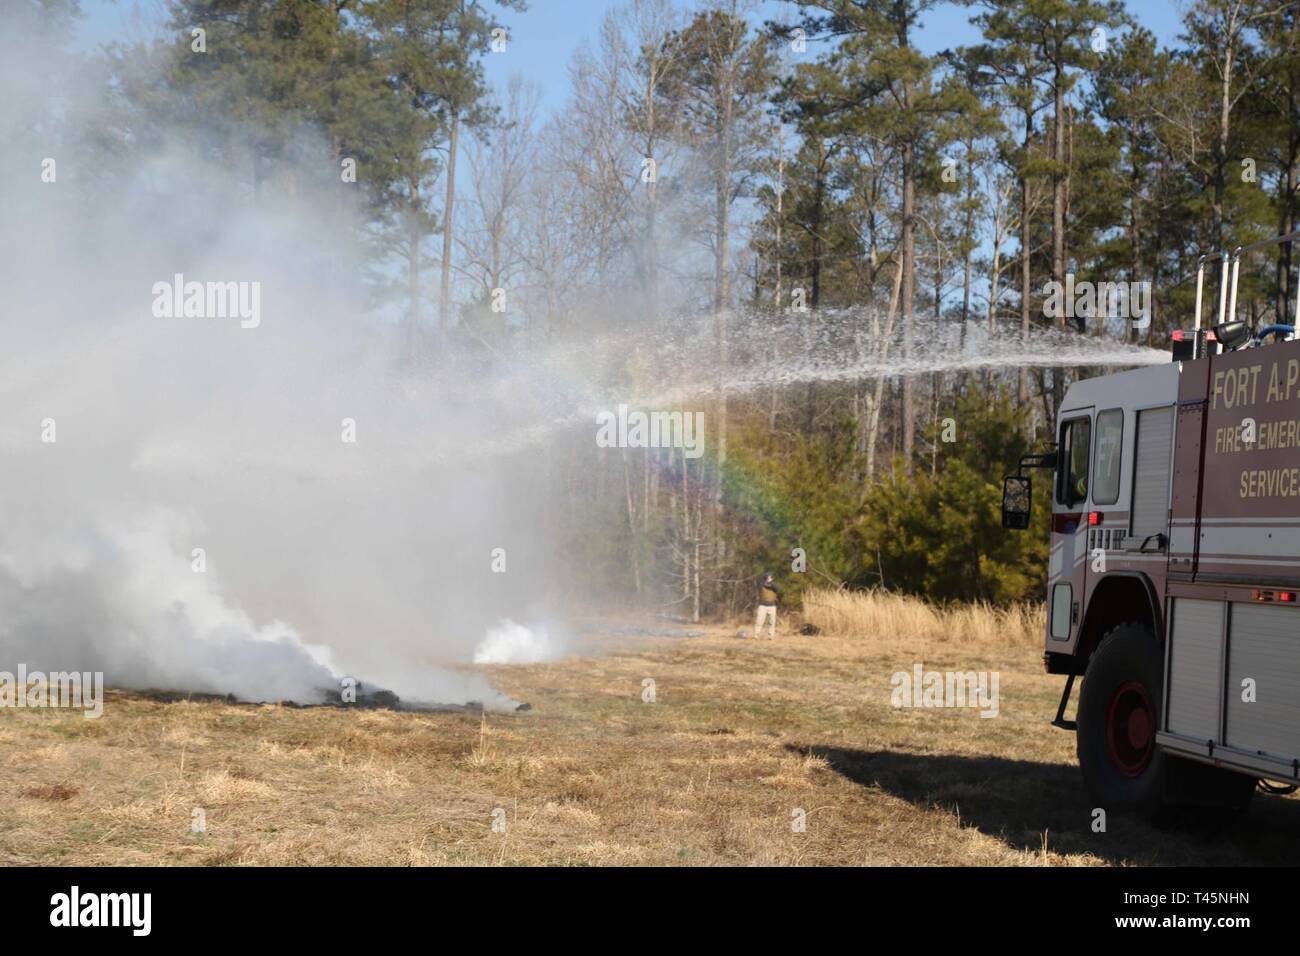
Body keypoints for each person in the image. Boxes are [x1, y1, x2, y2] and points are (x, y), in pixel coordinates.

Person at [755, 573, 779, 639]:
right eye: (767, 577)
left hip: (772, 606)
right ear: (765, 578)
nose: (769, 578)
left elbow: (777, 587)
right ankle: (756, 635)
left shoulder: (775, 585)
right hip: (762, 605)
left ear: (772, 578)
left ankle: (771, 636)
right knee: (759, 621)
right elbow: (759, 584)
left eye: (770, 577)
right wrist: (766, 582)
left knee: (772, 622)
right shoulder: (761, 584)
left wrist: (769, 583)